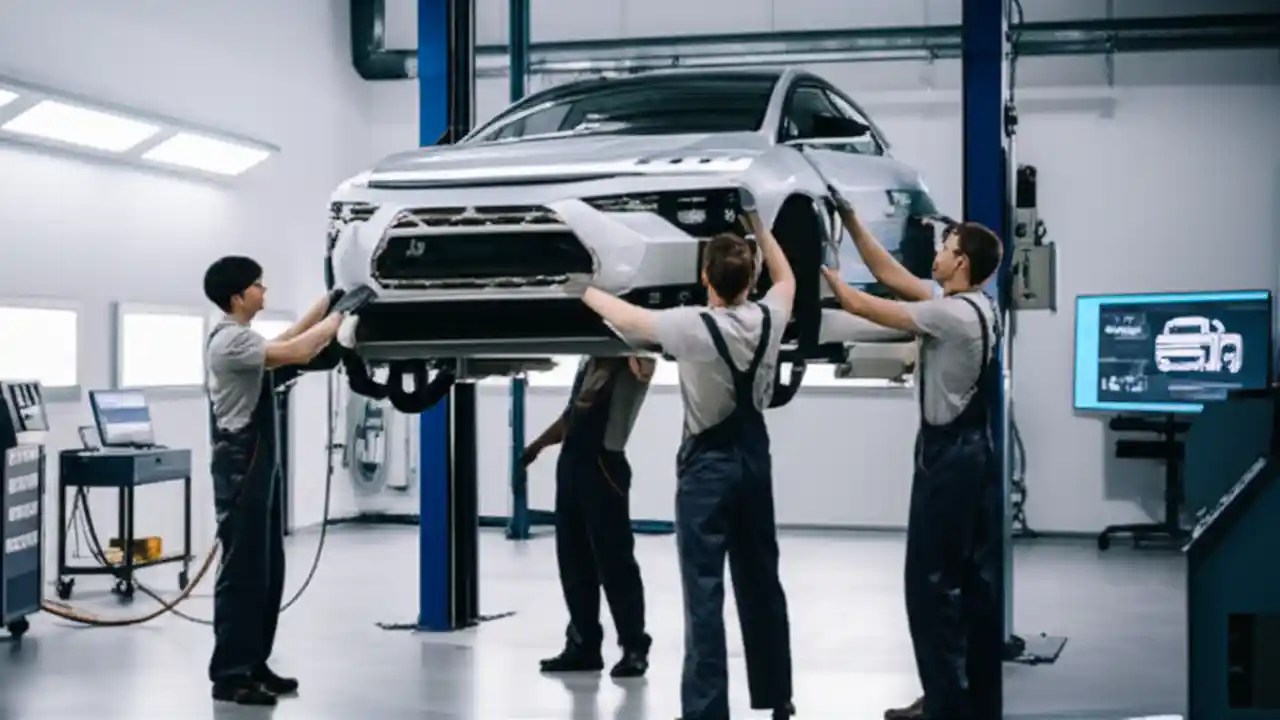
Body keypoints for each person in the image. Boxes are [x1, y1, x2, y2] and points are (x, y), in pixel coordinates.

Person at [580, 186, 796, 720]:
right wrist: (757, 222)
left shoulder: (692, 326)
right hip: (755, 462)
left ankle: (706, 711)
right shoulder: (770, 317)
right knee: (762, 580)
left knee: (704, 592)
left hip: (707, 471)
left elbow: (629, 319)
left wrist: (579, 286)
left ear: (705, 278)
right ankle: (777, 698)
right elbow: (788, 279)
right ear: (751, 280)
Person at [818, 188, 1003, 720]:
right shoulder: (975, 306)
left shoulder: (951, 317)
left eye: (945, 246)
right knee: (965, 582)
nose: (936, 252)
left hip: (951, 459)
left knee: (929, 584)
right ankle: (955, 698)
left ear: (961, 262)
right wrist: (852, 221)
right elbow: (890, 274)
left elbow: (863, 304)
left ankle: (944, 705)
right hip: (971, 451)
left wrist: (823, 271)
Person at [202, 256, 347, 706]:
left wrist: (331, 300)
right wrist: (343, 316)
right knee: (242, 574)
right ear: (237, 296)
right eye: (258, 285)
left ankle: (254, 663)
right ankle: (230, 674)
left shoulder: (244, 338)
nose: (264, 291)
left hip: (259, 466)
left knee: (267, 571)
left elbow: (288, 339)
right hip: (240, 469)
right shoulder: (229, 342)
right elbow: (299, 351)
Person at [523, 354, 657, 678]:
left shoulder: (632, 360)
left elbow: (645, 364)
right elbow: (571, 416)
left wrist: (630, 345)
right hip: (571, 464)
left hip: (604, 466)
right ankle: (582, 645)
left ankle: (634, 648)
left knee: (615, 561)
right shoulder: (588, 360)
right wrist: (537, 446)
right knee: (573, 560)